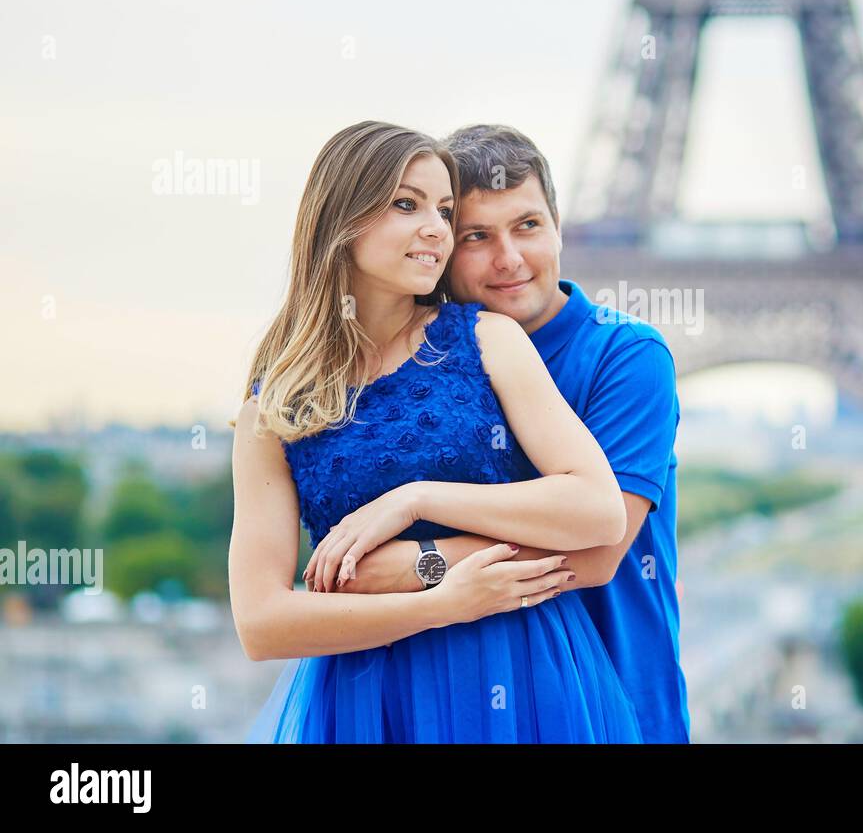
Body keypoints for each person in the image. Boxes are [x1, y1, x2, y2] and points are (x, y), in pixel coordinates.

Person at [230, 120, 642, 742]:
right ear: (340, 221)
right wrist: (438, 604)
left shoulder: (486, 338)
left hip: (519, 672)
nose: (436, 229)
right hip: (370, 699)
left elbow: (598, 510)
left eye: (445, 211)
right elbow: (261, 622)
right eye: (406, 204)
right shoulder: (277, 403)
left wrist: (415, 500)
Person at [323, 124, 690, 743]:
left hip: (614, 703)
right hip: (459, 708)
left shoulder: (626, 356)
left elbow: (595, 553)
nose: (510, 258)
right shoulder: (419, 368)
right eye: (477, 237)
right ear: (440, 247)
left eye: (528, 226)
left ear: (558, 227)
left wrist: (415, 556)